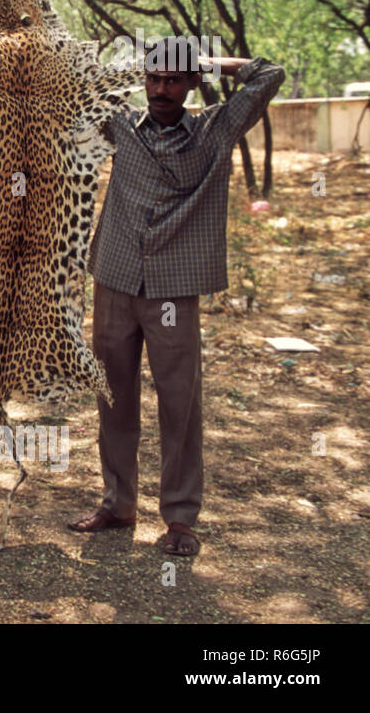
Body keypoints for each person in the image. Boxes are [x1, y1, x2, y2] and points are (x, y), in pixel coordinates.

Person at [69, 37, 284, 557]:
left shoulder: (217, 127)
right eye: (153, 78)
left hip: (174, 288)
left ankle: (181, 519)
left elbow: (269, 74)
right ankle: (118, 503)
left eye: (173, 79)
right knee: (113, 396)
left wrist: (211, 61)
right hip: (116, 278)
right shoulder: (119, 125)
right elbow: (72, 94)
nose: (161, 89)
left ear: (192, 84)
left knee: (179, 404)